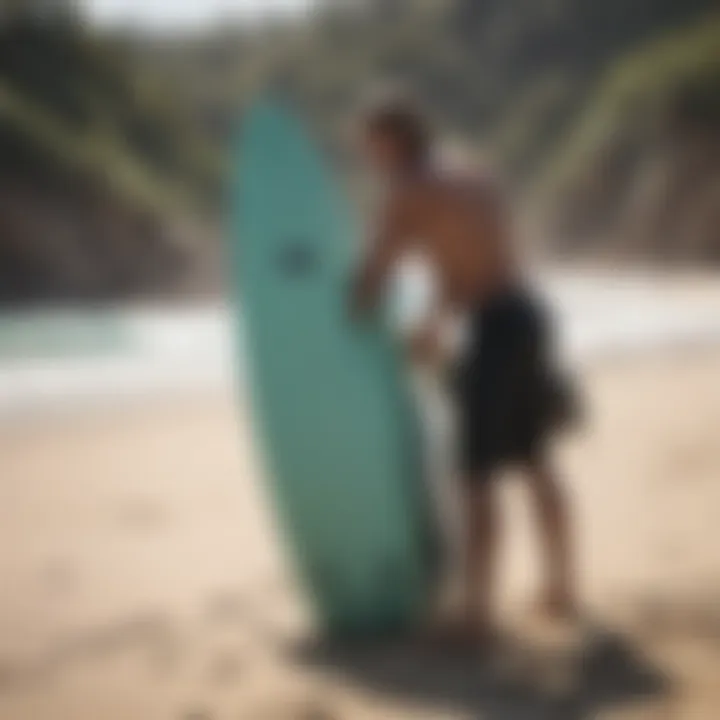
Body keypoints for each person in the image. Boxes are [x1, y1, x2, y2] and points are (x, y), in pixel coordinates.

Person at [351, 98, 579, 646]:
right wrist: (432, 323)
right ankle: (561, 588)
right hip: (526, 316)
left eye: (368, 144)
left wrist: (343, 315)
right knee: (532, 458)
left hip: (493, 332)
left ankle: (476, 613)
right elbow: (470, 262)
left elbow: (374, 275)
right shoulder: (469, 171)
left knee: (474, 474)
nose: (364, 155)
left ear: (390, 141)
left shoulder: (407, 190)